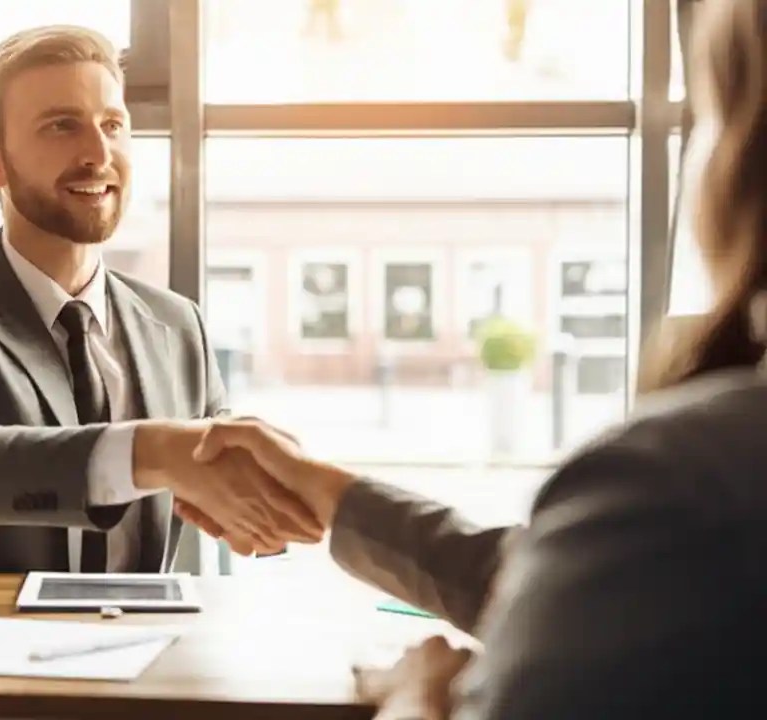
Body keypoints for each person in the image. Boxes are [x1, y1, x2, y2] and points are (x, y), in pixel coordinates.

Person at [182, 0, 767, 716]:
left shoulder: (678, 481)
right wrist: (329, 492)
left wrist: (417, 697)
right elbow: (552, 577)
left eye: (705, 115)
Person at [0, 25, 322, 573]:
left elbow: (229, 488)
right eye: (62, 126)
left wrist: (272, 502)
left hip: (135, 645)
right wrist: (156, 451)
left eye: (112, 125)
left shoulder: (177, 325)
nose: (98, 153)